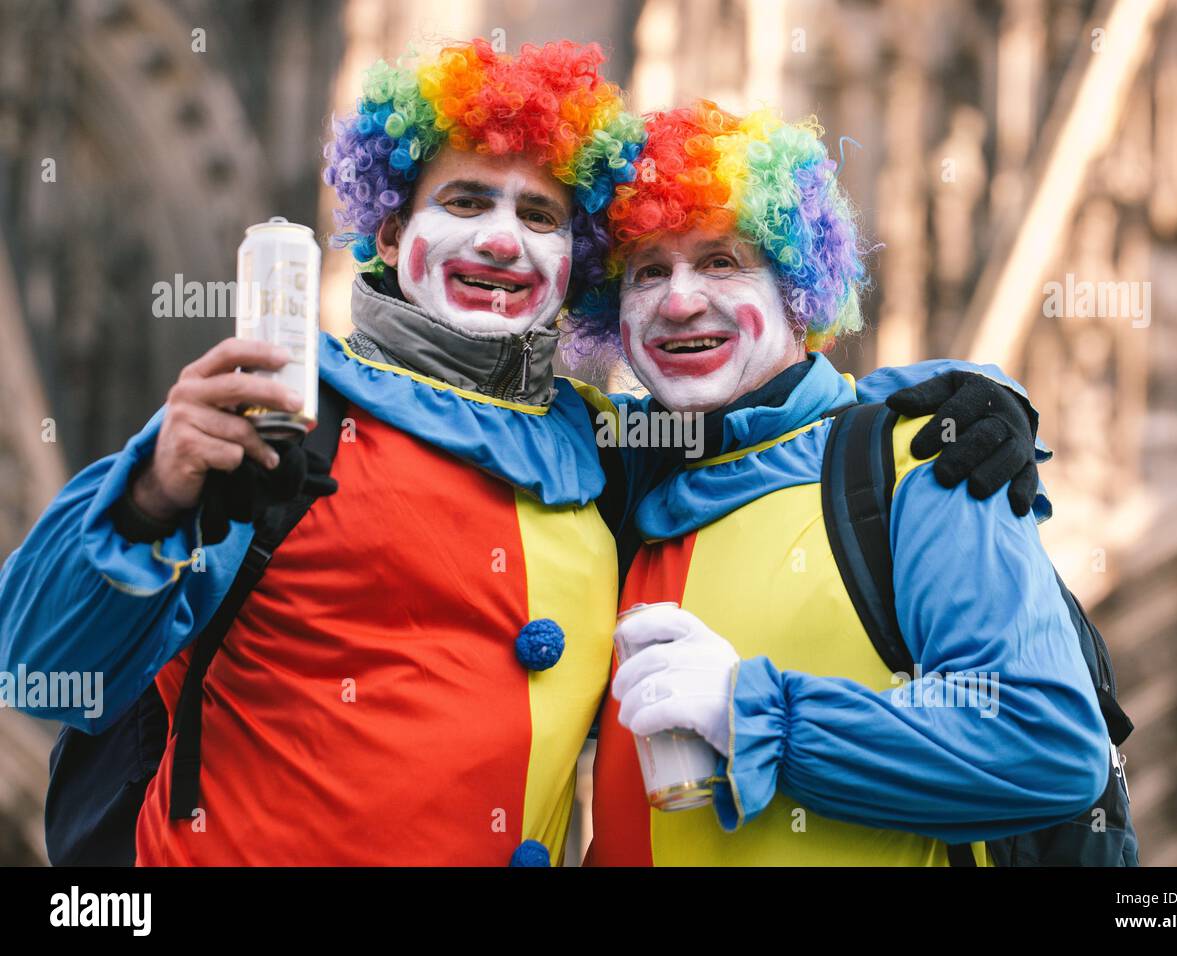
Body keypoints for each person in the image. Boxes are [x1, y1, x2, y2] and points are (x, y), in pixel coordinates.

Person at [0, 44, 1042, 867]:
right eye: (465, 201)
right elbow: (39, 671)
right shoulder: (282, 412)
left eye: (538, 214)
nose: (501, 237)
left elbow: (768, 427)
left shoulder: (605, 447)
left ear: (572, 266)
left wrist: (949, 398)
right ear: (389, 230)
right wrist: (147, 493)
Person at [570, 101, 1110, 866]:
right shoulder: (615, 470)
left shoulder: (922, 454)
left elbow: (1044, 741)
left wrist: (759, 718)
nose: (679, 300)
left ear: (799, 293)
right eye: (647, 271)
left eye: (722, 261)